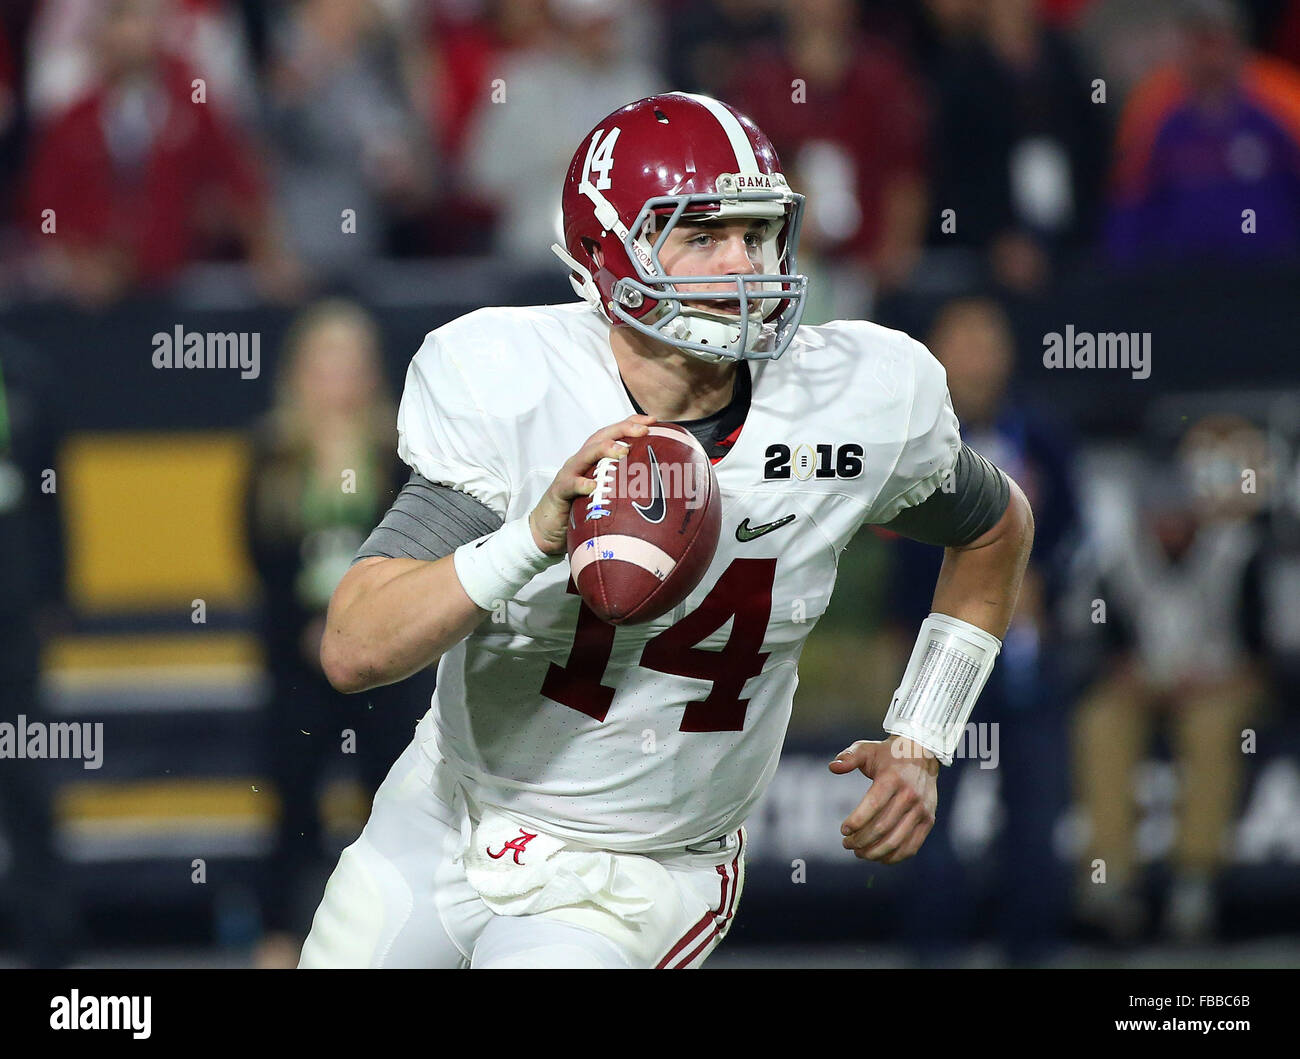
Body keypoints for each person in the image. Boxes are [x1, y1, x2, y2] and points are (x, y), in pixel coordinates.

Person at [299, 92, 1034, 969]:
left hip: (637, 871)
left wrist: (923, 734)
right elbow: (353, 646)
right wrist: (531, 537)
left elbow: (996, 528)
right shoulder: (515, 384)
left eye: (758, 233)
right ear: (608, 254)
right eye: (703, 235)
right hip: (447, 808)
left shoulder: (848, 402)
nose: (743, 264)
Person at [243, 300, 428, 967]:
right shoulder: (273, 454)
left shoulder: (398, 450)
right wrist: (307, 626)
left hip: (388, 662)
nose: (339, 378)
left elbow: (416, 552)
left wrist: (366, 621)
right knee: (290, 806)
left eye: (352, 363)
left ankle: (405, 938)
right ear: (299, 373)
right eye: (326, 362)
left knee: (398, 803)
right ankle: (280, 939)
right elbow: (258, 556)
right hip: (298, 667)